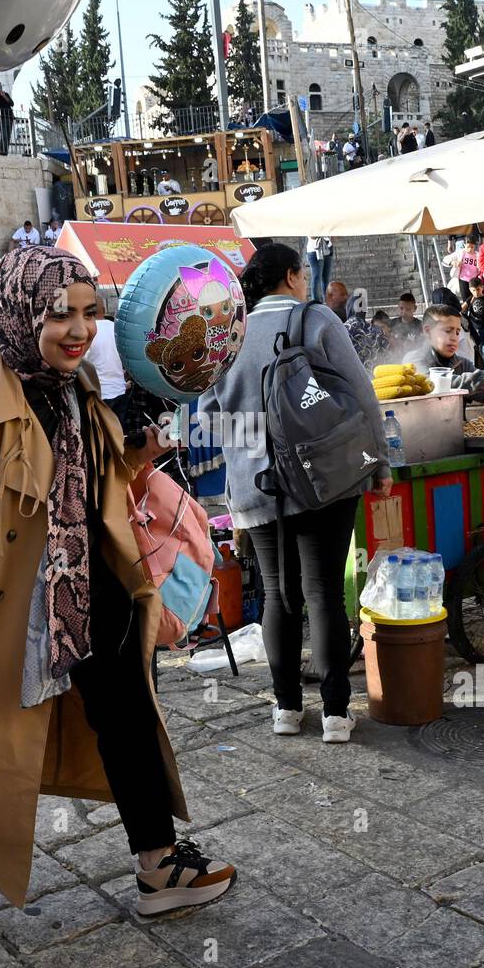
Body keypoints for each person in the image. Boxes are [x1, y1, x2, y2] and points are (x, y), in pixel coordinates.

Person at [0, 246, 236, 922]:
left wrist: (138, 455)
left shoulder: (76, 391)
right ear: (20, 314)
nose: (78, 329)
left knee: (128, 710)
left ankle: (157, 860)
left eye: (87, 313)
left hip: (87, 585)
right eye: (58, 314)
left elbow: (91, 484)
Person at [198, 243, 391, 743]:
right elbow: (362, 393)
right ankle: (334, 716)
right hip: (325, 477)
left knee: (277, 595)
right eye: (304, 274)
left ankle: (285, 709)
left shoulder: (227, 331)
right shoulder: (316, 319)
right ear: (289, 276)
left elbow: (207, 418)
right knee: (323, 591)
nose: (307, 282)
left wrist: (259, 441)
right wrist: (380, 462)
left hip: (257, 488)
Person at [405, 303, 484, 401]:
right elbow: (431, 384)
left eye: (457, 332)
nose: (454, 338)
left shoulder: (462, 364)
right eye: (447, 331)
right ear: (427, 331)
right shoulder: (413, 360)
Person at [86, 294, 128, 419]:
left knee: (100, 437)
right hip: (120, 391)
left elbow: (81, 364)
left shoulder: (88, 332)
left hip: (99, 395)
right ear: (104, 310)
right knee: (119, 435)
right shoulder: (116, 329)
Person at [464, 276, 484, 371]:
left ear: (482, 287)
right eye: (473, 290)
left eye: (478, 289)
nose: (476, 292)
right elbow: (461, 309)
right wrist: (469, 303)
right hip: (473, 329)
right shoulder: (470, 299)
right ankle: (477, 370)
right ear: (470, 290)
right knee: (475, 350)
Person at [442, 238, 481, 302]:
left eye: (472, 247)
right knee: (466, 300)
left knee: (475, 299)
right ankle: (466, 311)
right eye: (468, 247)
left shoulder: (477, 255)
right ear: (464, 245)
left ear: (474, 246)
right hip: (463, 280)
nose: (470, 249)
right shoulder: (460, 253)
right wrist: (452, 263)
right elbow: (445, 260)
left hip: (474, 280)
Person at [305, 236, 334, 303]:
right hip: (314, 251)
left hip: (327, 250)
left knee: (326, 278)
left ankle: (327, 301)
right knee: (317, 277)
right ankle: (316, 301)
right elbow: (312, 236)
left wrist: (330, 241)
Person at [0, 81, 15, 155]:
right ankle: (2, 151)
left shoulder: (6, 94)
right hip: (1, 118)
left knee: (8, 136)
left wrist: (4, 96)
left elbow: (12, 103)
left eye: (0, 86)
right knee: (4, 135)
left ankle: (6, 152)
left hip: (9, 117)